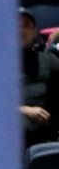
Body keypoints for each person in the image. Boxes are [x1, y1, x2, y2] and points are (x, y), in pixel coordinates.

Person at [24, 7, 59, 145]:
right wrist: (25, 110)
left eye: (26, 25)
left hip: (44, 137)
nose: (21, 30)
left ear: (34, 32)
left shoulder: (48, 60)